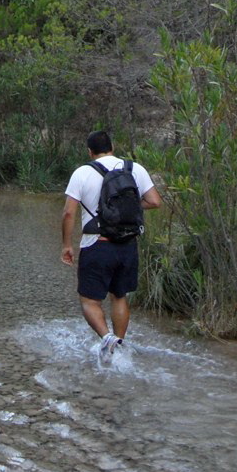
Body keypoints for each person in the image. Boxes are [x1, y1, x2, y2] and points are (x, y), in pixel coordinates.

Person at [60, 130, 161, 354]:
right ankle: (120, 344)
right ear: (112, 147)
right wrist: (131, 206)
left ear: (89, 151)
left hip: (97, 244)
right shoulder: (134, 168)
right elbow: (155, 201)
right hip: (127, 244)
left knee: (89, 300)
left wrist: (67, 245)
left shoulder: (82, 172)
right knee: (119, 296)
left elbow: (69, 213)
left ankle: (106, 337)